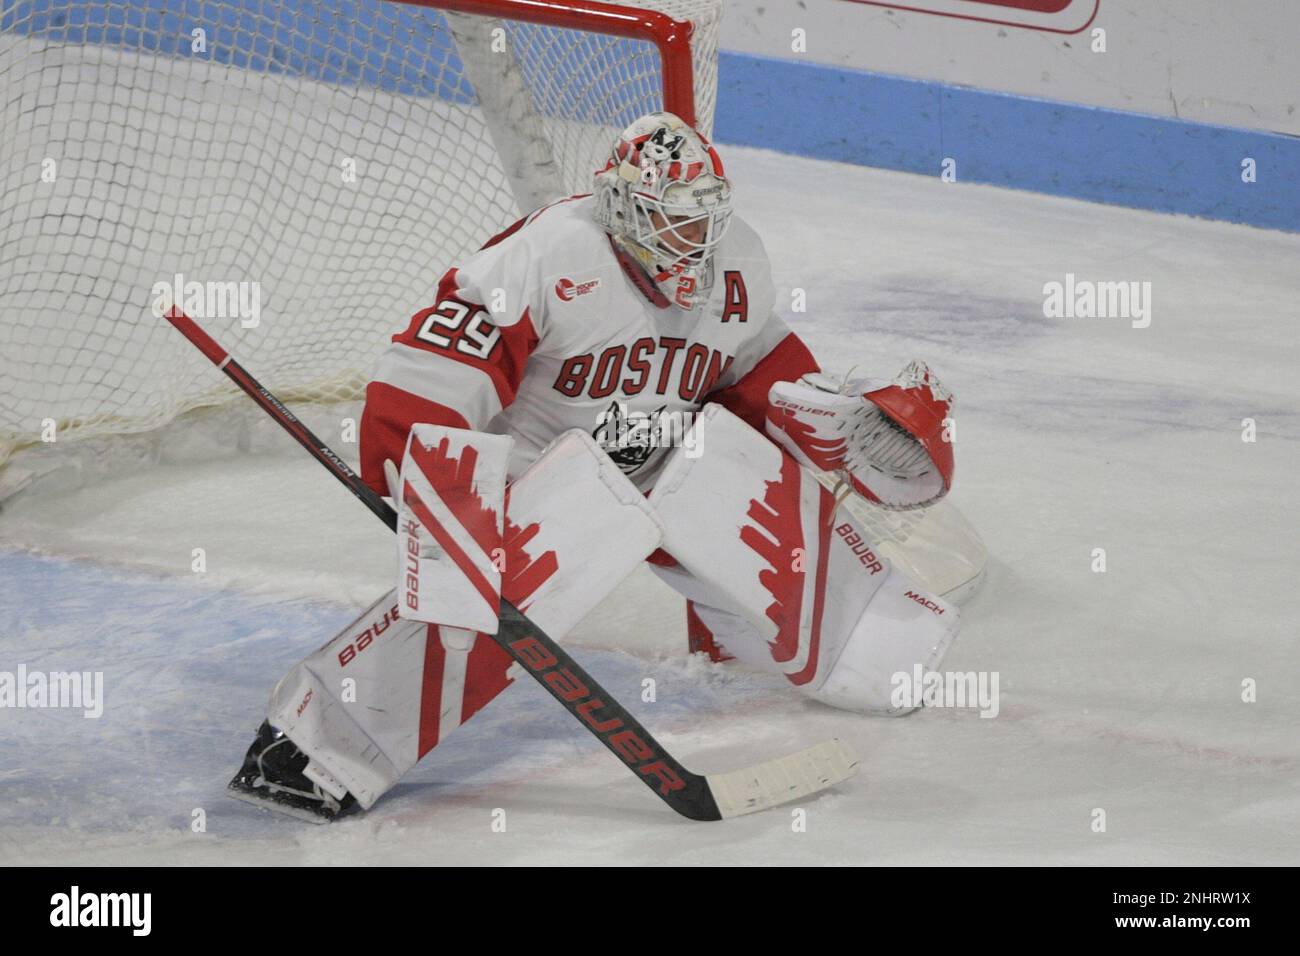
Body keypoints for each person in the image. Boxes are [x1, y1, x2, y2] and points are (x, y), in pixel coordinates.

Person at [228, 112, 960, 821]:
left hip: (656, 448)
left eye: (705, 216)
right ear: (620, 207)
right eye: (673, 217)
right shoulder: (546, 257)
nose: (695, 238)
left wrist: (822, 419)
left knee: (741, 473)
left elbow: (751, 363)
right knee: (499, 578)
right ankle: (319, 747)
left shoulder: (738, 260)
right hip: (538, 477)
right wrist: (443, 504)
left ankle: (874, 642)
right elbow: (423, 384)